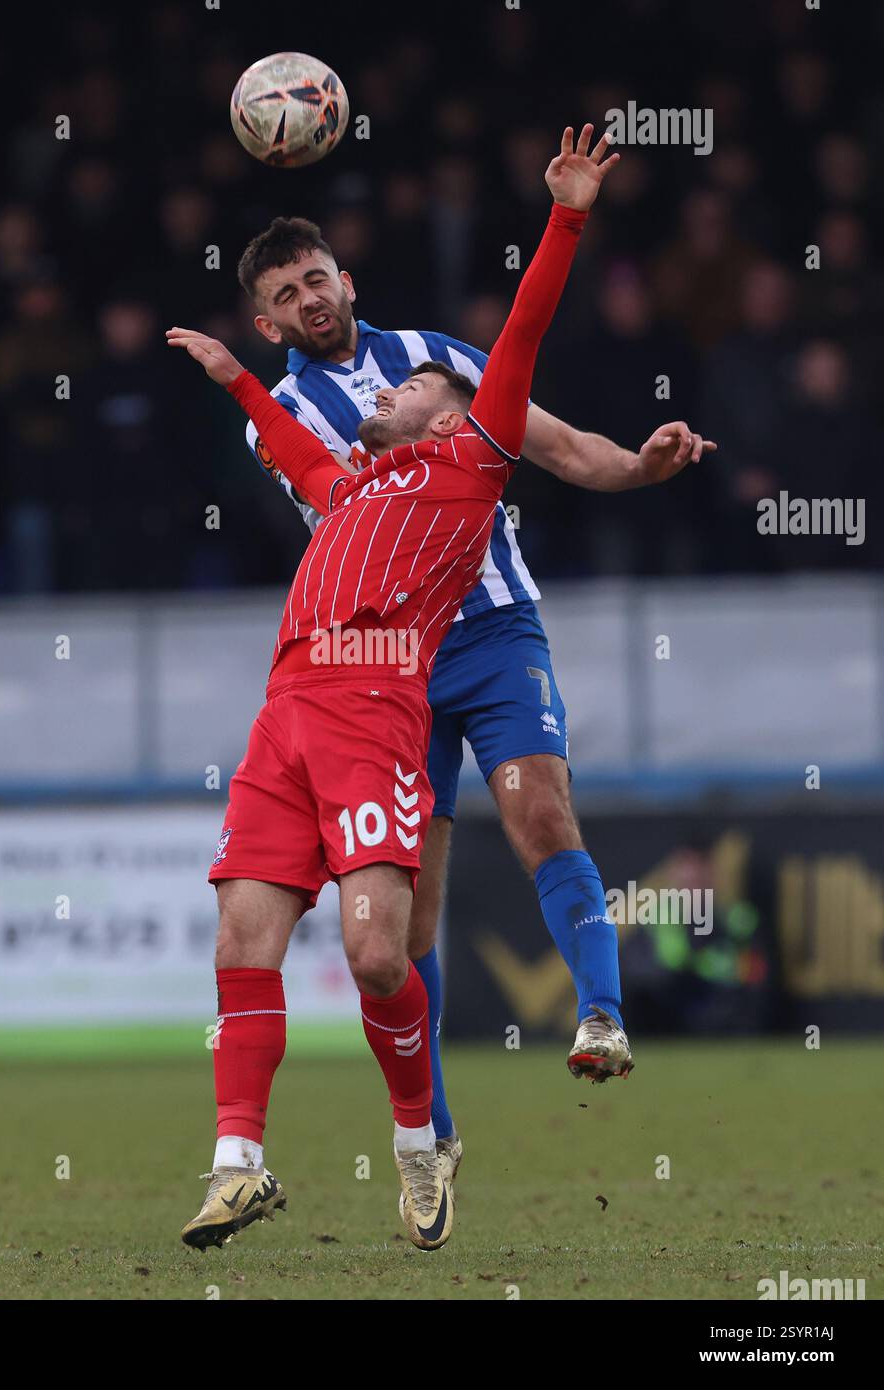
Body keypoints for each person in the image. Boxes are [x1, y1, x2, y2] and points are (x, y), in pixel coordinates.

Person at [216, 138, 717, 1167]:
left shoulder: (436, 353)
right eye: (285, 294)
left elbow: (555, 444)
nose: (309, 298)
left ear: (344, 280)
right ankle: (432, 1129)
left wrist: (639, 465)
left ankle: (600, 1015)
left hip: (492, 628)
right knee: (410, 915)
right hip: (388, 668)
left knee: (540, 809)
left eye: (317, 276)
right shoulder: (286, 421)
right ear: (268, 323)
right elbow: (344, 484)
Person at [167, 123, 616, 1252]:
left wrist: (563, 214)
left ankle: (469, 1106)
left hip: (385, 692)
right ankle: (241, 1163)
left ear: (455, 413)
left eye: (421, 384)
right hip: (291, 709)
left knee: (386, 940)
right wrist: (230, 379)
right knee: (249, 934)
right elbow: (305, 455)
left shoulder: (467, 463)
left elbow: (518, 336)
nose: (402, 381)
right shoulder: (352, 476)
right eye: (290, 289)